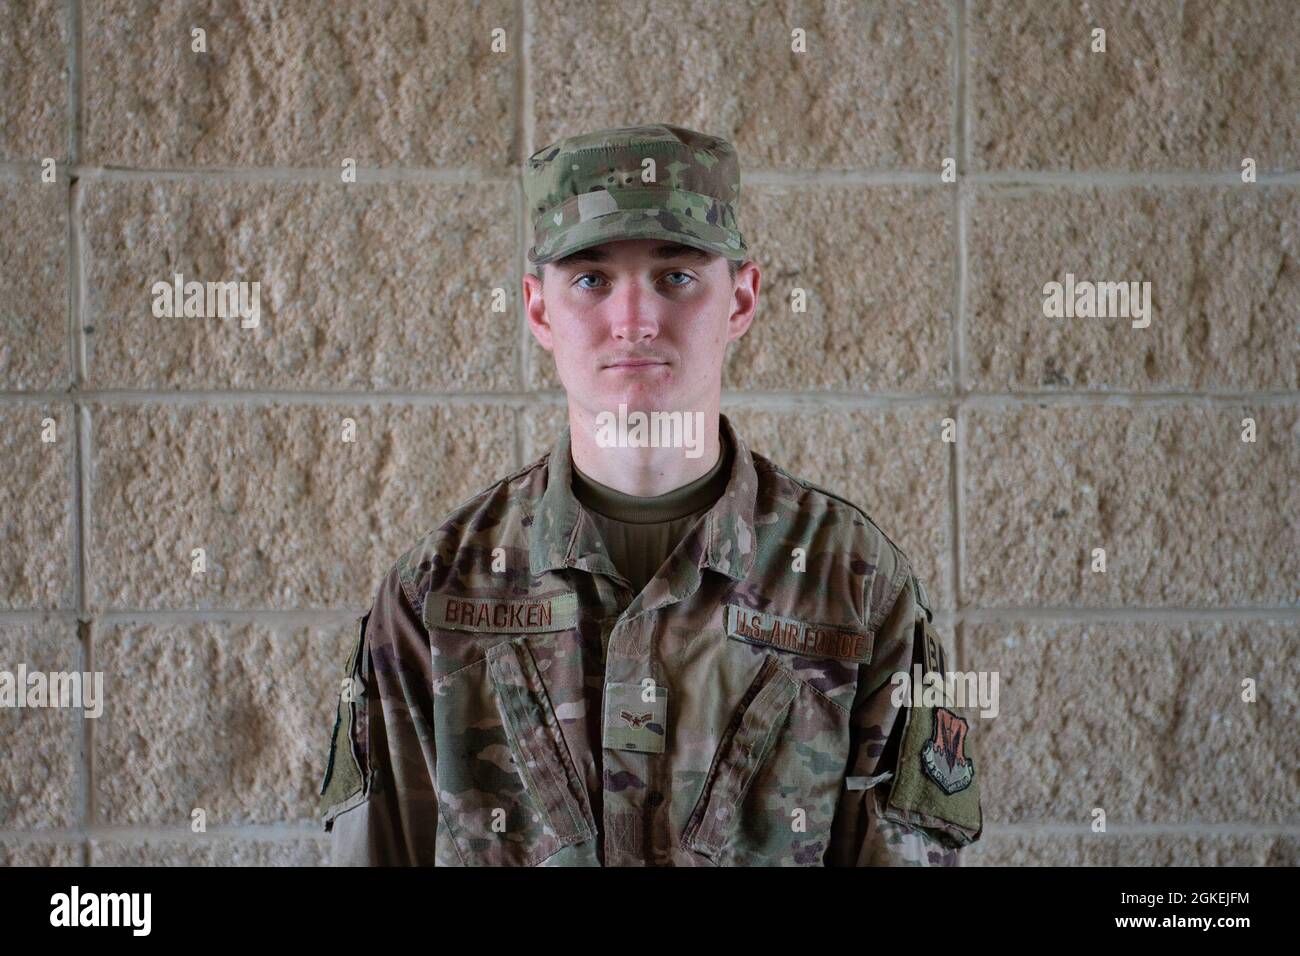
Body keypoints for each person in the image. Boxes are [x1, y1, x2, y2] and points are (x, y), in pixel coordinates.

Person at [317, 123, 982, 866]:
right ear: (539, 310)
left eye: (676, 277)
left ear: (742, 298)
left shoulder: (854, 585)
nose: (633, 322)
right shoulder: (432, 597)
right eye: (592, 280)